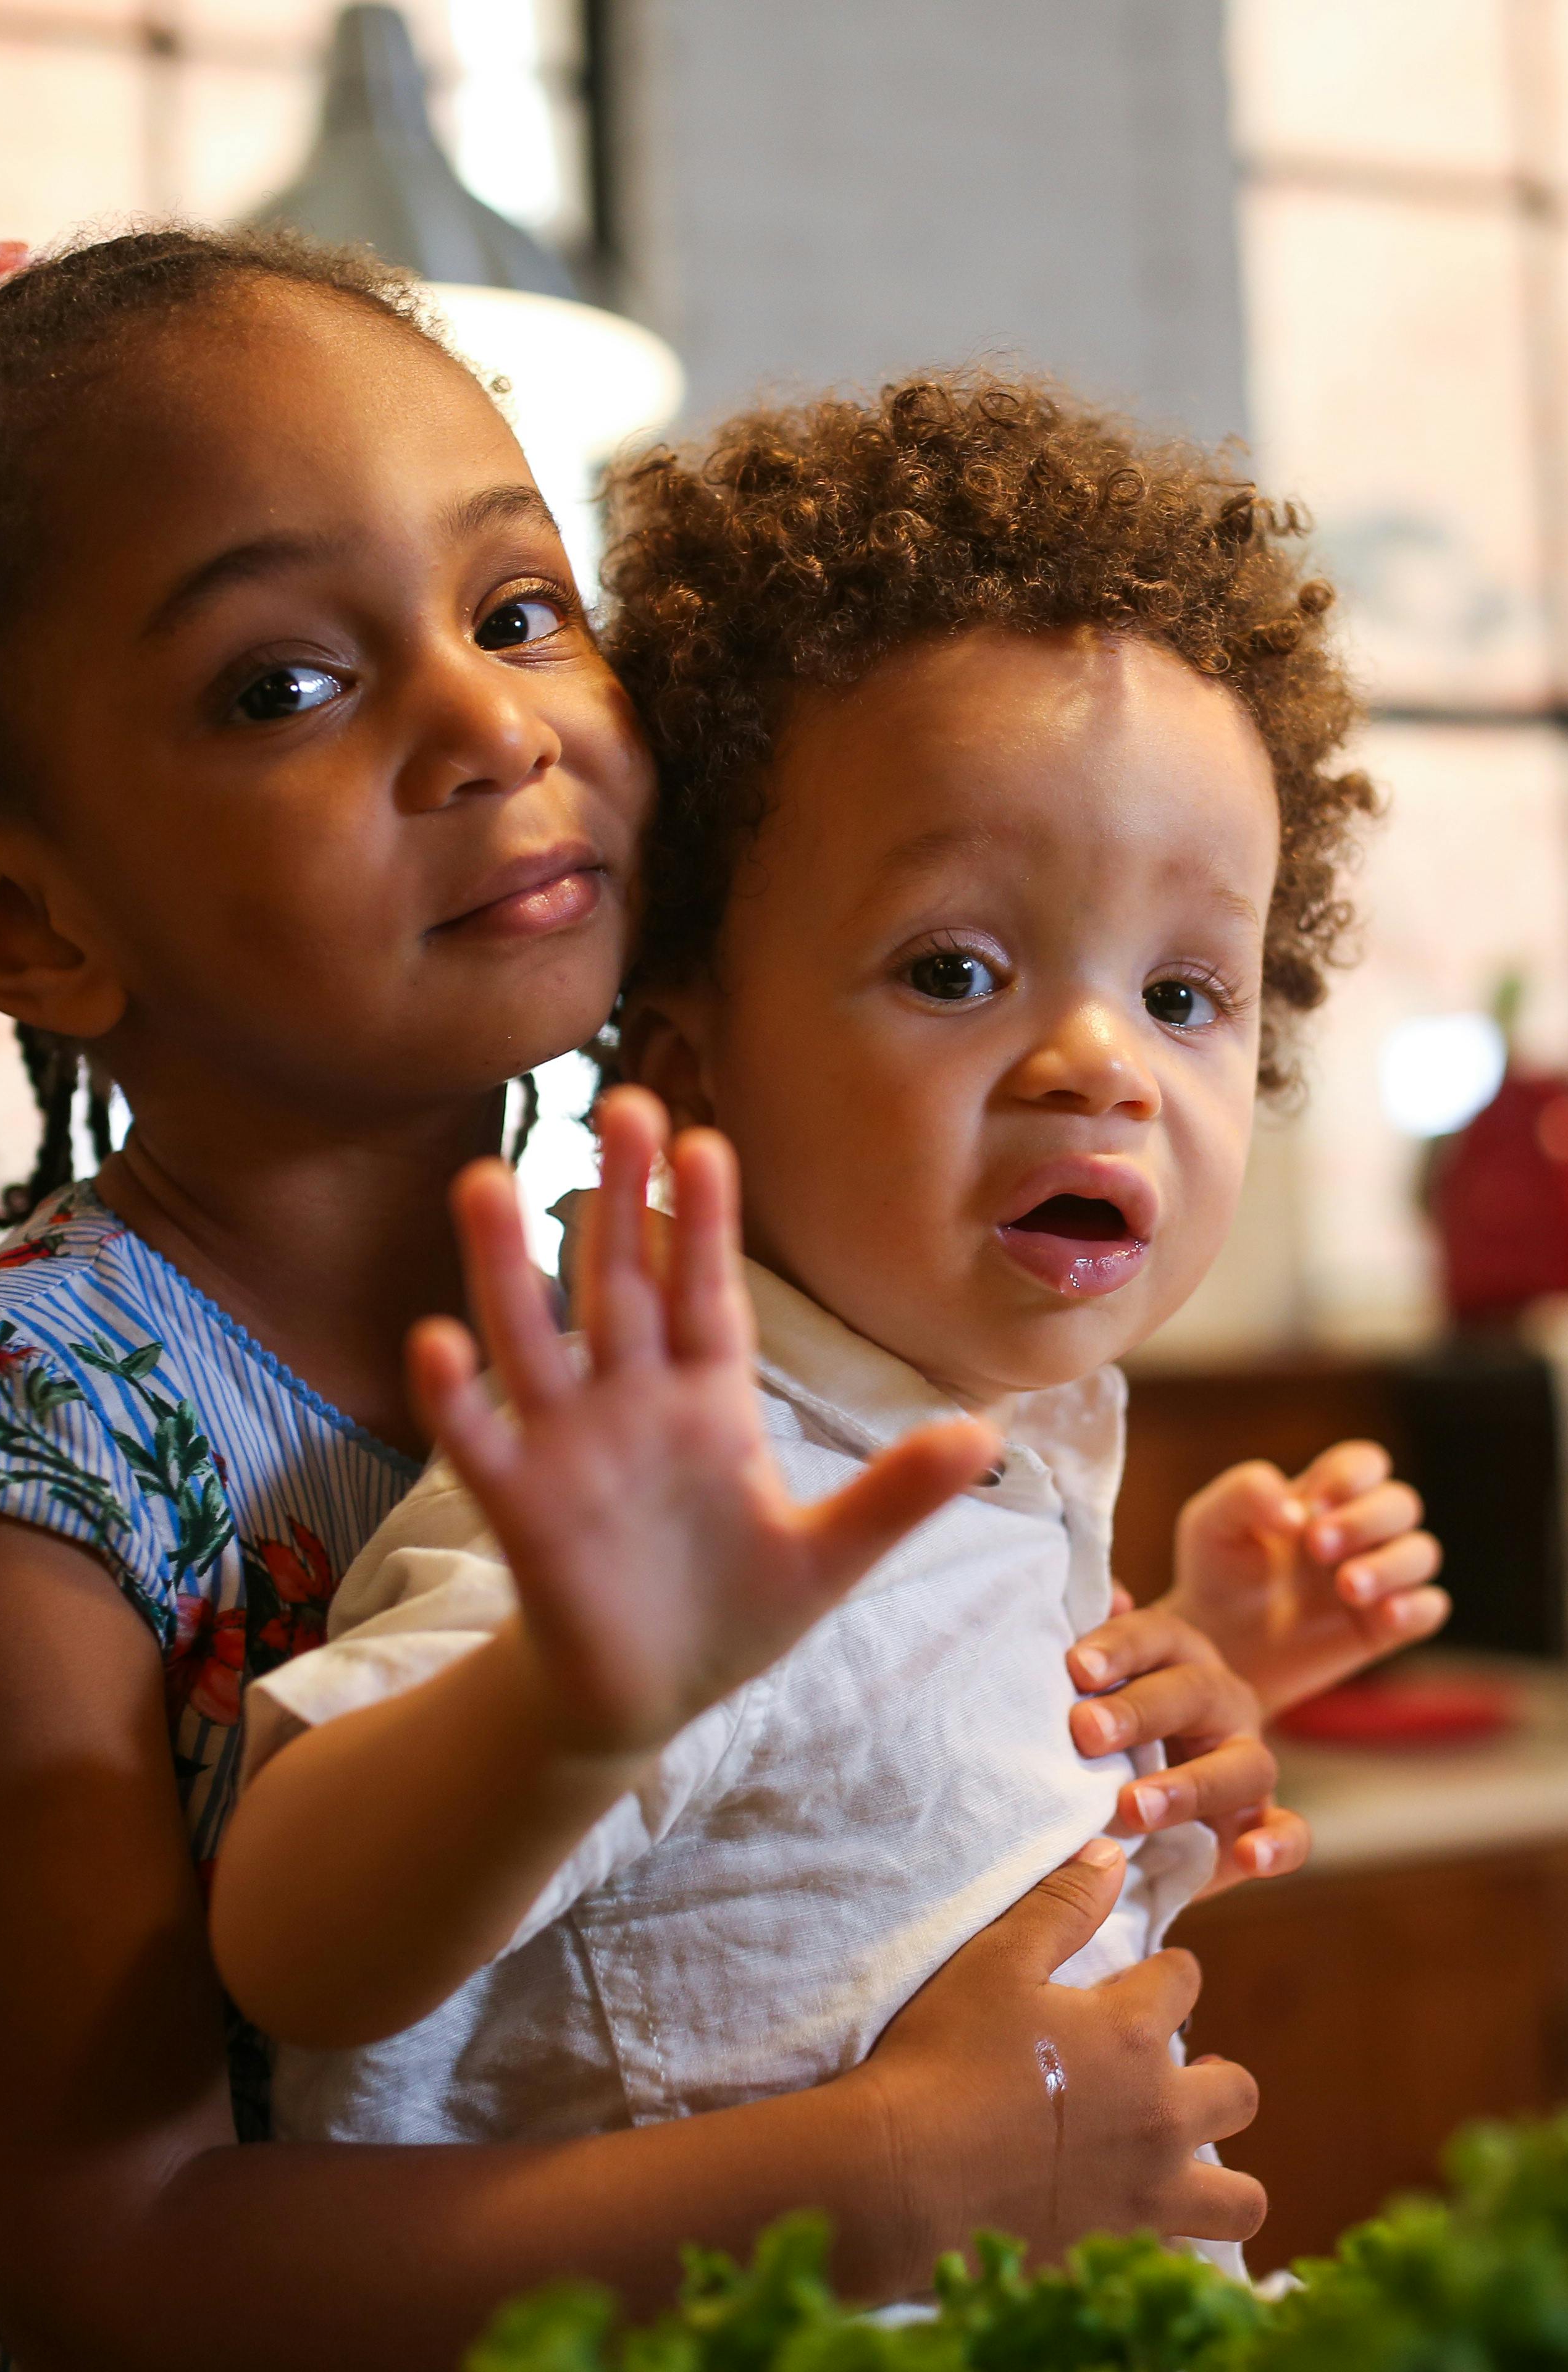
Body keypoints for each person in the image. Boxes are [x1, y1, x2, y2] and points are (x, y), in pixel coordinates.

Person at [0, 233, 1434, 2372]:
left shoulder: (706, 1310)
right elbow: (119, 2260)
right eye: (284, 683)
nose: (487, 721)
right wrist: (919, 2166)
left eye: (519, 609)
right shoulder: (1, 1460)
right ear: (28, 915)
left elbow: (799, 1790)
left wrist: (1142, 1682)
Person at [208, 376, 1430, 2276]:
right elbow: (293, 1942)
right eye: (956, 967)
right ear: (693, 1061)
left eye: (1190, 991)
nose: (1104, 1060)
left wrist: (1202, 1672)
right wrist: (581, 1700)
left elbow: (872, 1825)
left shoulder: (980, 1455)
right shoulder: (687, 1480)